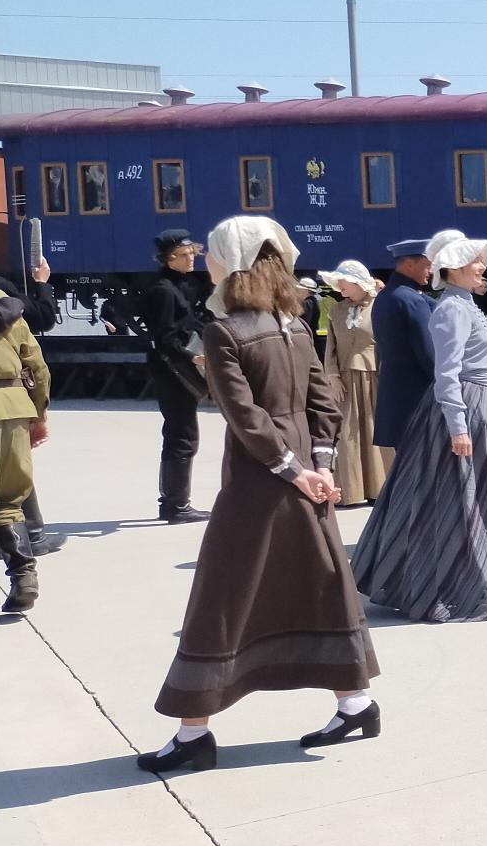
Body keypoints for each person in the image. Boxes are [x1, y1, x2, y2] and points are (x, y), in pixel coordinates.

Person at [135, 217, 381, 774]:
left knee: (223, 593)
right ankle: (356, 703)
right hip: (304, 474)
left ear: (230, 263)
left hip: (259, 477)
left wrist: (293, 471)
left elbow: (244, 417)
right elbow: (326, 404)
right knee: (321, 582)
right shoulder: (294, 326)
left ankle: (193, 732)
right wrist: (318, 465)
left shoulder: (224, 330)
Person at [352, 233, 487, 622]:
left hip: (484, 406)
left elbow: (484, 368)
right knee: (463, 501)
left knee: (486, 499)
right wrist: (458, 427)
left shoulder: (465, 306)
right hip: (468, 411)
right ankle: (460, 583)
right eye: (475, 262)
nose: (482, 267)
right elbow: (448, 375)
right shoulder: (451, 310)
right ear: (455, 268)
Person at [141, 229, 211, 523]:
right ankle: (176, 505)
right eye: (183, 255)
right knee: (182, 434)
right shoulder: (163, 291)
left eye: (192, 252)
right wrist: (192, 356)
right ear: (168, 258)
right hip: (172, 369)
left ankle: (172, 503)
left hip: (177, 365)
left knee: (180, 431)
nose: (190, 258)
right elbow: (164, 337)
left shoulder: (180, 285)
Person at [0, 259, 63, 556]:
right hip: (9, 407)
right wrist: (42, 284)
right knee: (11, 480)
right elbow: (37, 365)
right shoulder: (3, 295)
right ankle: (28, 552)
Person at [0, 291, 49, 613]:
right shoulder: (4, 304)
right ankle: (24, 577)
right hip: (13, 410)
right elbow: (37, 366)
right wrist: (39, 414)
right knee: (8, 500)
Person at [319, 260, 389, 507]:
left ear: (358, 282)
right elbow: (331, 345)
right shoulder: (337, 310)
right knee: (348, 433)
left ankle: (379, 487)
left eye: (343, 281)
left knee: (373, 430)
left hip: (374, 376)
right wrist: (332, 375)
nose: (339, 286)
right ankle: (350, 489)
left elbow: (387, 345)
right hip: (345, 379)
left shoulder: (380, 307)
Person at [371, 235, 439, 461]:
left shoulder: (384, 297)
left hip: (395, 393)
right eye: (427, 265)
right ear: (409, 264)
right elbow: (429, 356)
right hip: (418, 397)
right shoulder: (411, 300)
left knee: (408, 472)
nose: (430, 270)